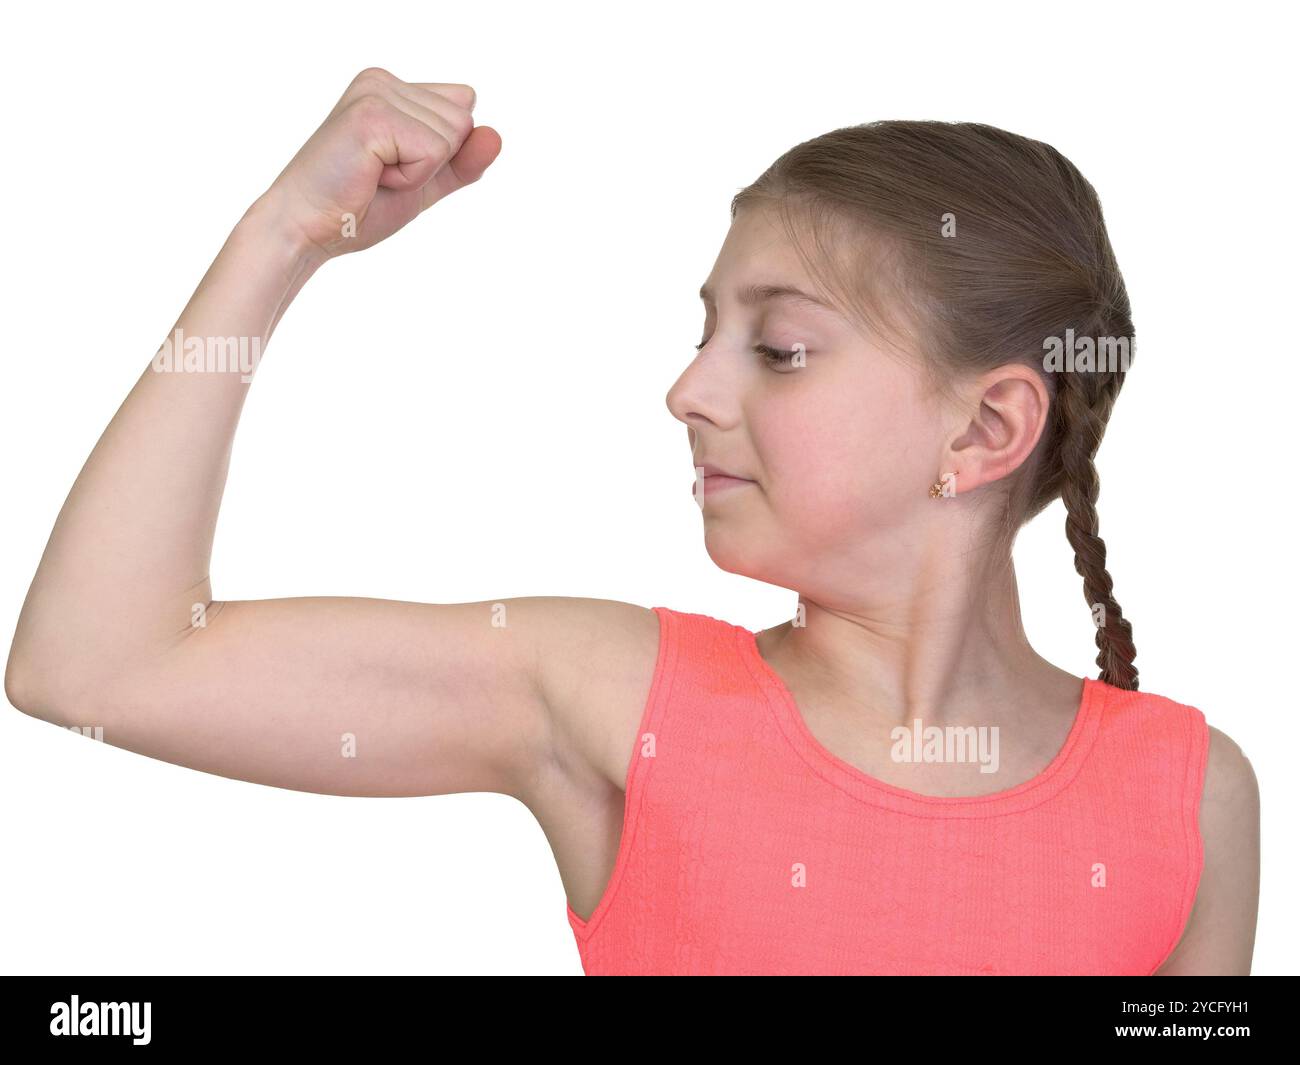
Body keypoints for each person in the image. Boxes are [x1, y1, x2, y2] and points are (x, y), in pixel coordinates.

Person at [4, 68, 1259, 975]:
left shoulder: (1193, 798)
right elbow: (98, 665)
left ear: (984, 430)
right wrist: (283, 237)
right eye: (704, 332)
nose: (688, 390)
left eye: (777, 348)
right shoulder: (612, 696)